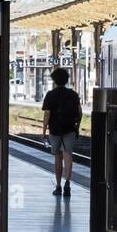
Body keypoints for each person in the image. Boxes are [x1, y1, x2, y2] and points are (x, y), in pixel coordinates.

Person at [40, 67, 82, 197]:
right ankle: (67, 184)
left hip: (55, 130)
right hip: (69, 129)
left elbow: (47, 114)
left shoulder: (50, 95)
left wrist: (44, 131)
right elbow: (79, 113)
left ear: (54, 80)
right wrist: (77, 127)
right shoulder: (73, 94)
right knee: (68, 156)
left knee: (58, 157)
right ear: (66, 79)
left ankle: (58, 187)